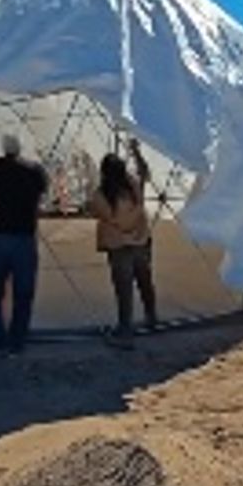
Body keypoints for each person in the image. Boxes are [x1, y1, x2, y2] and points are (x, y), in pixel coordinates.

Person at [0, 133, 48, 354]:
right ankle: (17, 339)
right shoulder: (34, 171)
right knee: (23, 292)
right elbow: (43, 191)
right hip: (23, 237)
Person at [89, 137, 157, 347]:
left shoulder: (101, 195)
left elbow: (100, 214)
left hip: (118, 246)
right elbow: (145, 172)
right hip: (140, 241)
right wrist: (136, 151)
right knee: (145, 282)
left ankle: (125, 330)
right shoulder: (133, 188)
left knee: (124, 289)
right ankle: (151, 319)